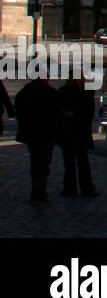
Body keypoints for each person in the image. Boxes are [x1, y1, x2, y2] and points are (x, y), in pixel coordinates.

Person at [15, 75, 62, 204]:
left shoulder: (25, 93)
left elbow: (18, 111)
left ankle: (37, 192)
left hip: (31, 134)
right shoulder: (51, 93)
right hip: (46, 134)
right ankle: (39, 192)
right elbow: (58, 115)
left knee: (36, 164)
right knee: (44, 165)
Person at [57, 75, 97, 196]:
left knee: (79, 161)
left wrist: (73, 115)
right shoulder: (63, 92)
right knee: (75, 162)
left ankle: (80, 188)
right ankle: (76, 188)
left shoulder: (86, 93)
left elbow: (89, 113)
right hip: (71, 132)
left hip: (78, 131)